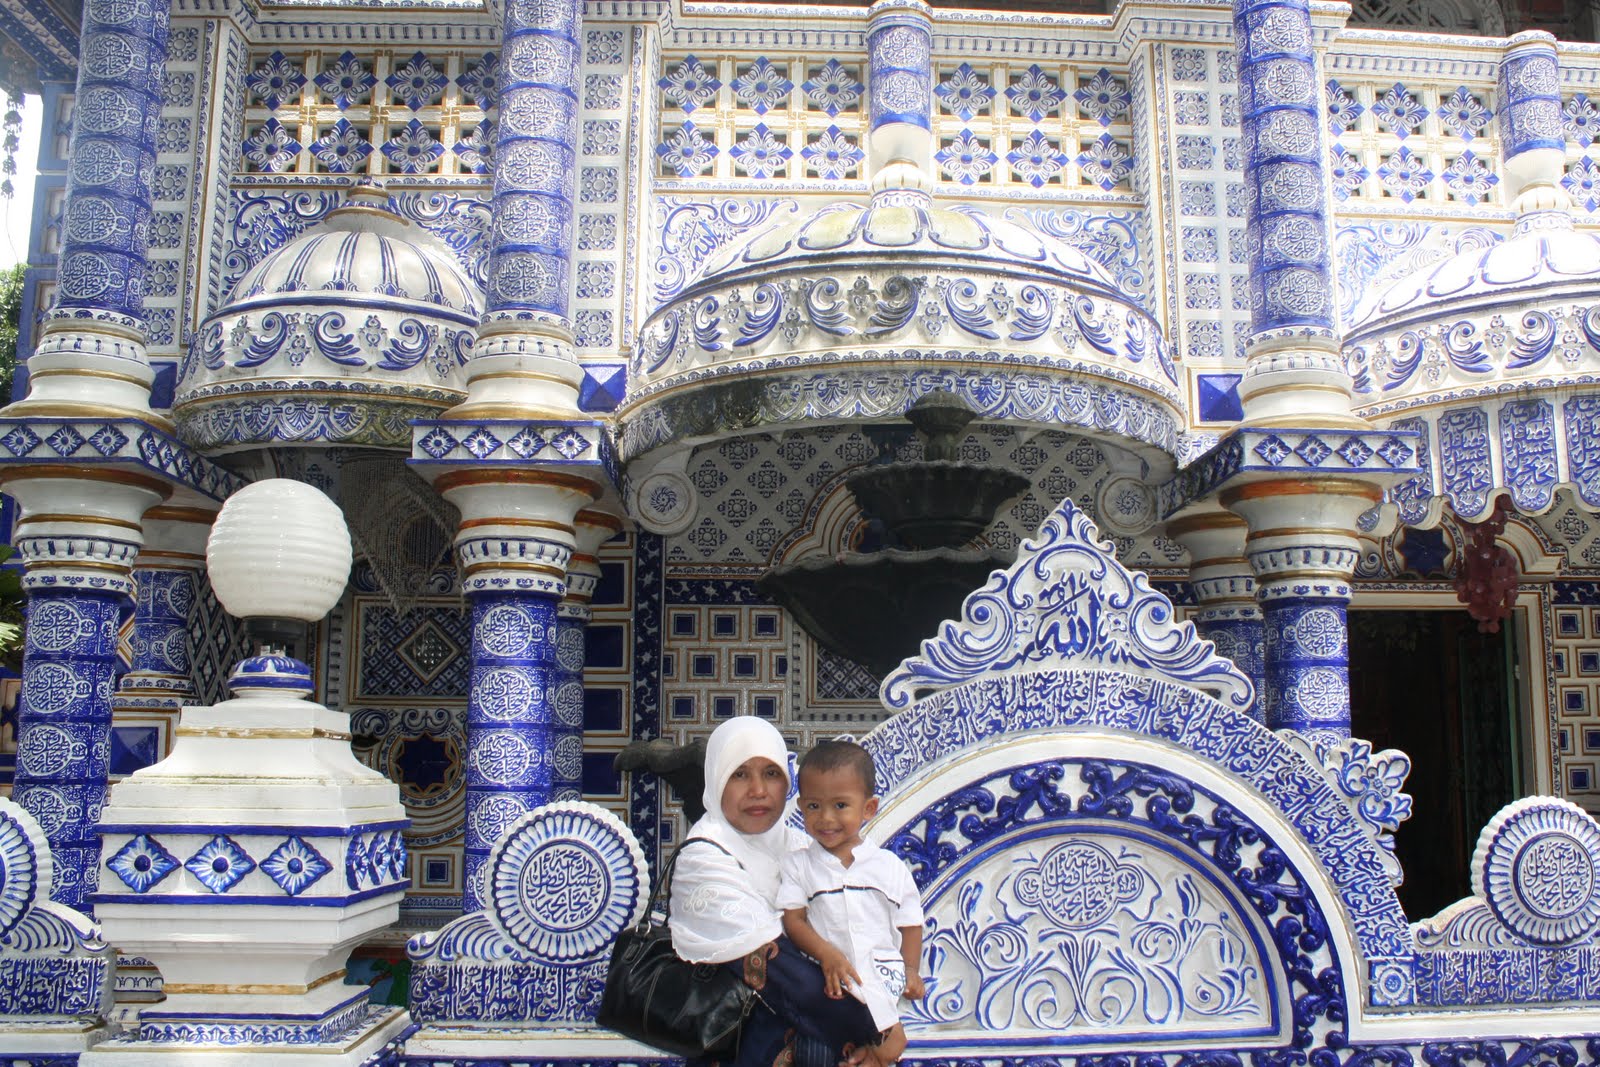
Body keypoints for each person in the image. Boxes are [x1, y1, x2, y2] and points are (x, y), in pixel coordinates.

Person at [669, 718, 881, 1067]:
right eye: (739, 774)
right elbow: (777, 968)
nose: (758, 790)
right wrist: (876, 1031)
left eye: (771, 773)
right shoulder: (703, 857)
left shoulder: (800, 848)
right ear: (716, 778)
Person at [778, 741, 925, 1067]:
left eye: (840, 805)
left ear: (868, 808)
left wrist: (910, 969)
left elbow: (910, 922)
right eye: (814, 807)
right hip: (824, 993)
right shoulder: (799, 866)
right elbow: (794, 920)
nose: (826, 818)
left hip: (879, 994)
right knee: (814, 1055)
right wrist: (826, 954)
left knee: (879, 1056)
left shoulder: (888, 867)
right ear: (801, 807)